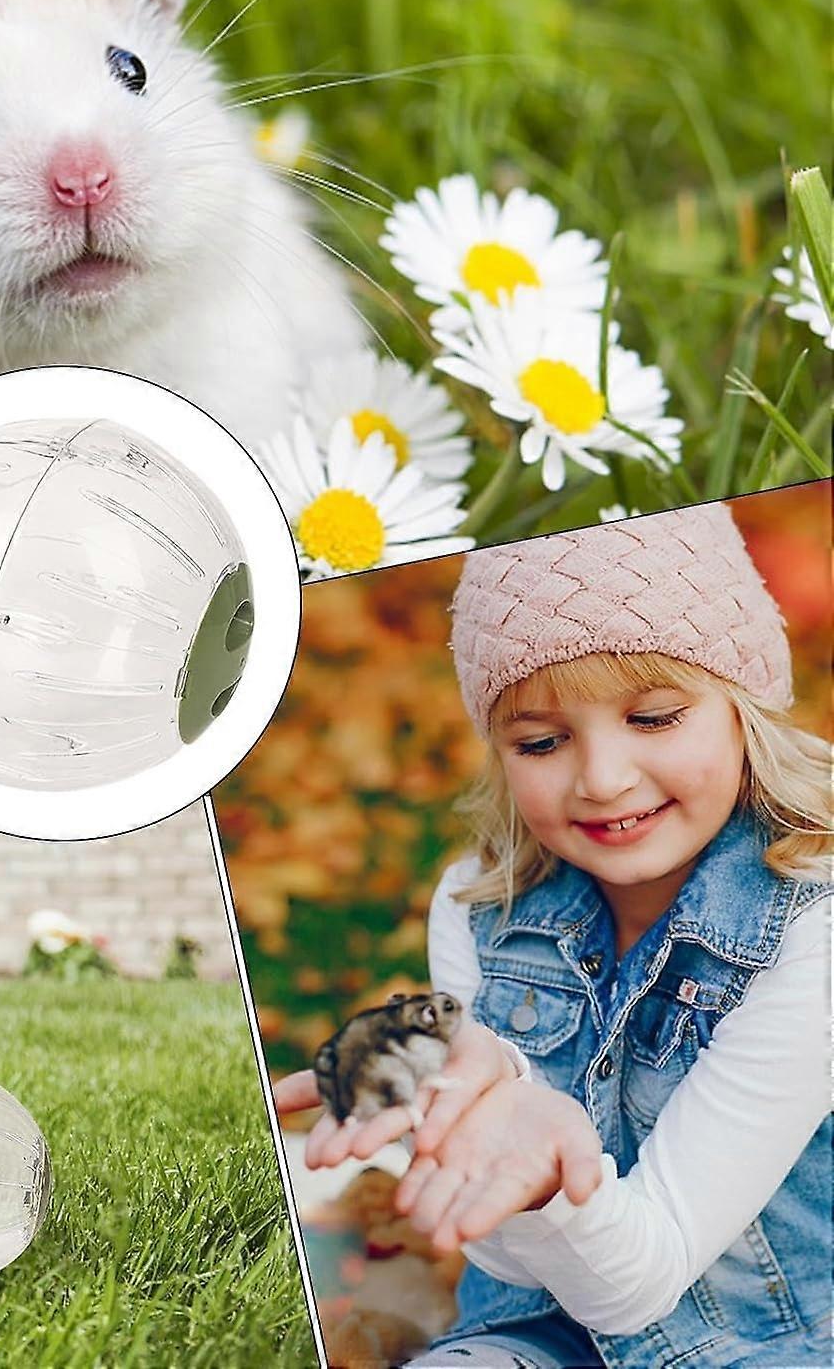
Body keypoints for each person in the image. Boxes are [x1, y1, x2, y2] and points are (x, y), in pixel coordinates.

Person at [276, 503, 832, 1368]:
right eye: (541, 742)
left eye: (654, 719)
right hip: (536, 1327)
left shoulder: (813, 928)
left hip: (769, 1344)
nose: (603, 780)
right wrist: (474, 1117)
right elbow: (499, 1247)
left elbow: (642, 1280)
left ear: (743, 709)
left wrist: (550, 1176)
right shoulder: (478, 907)